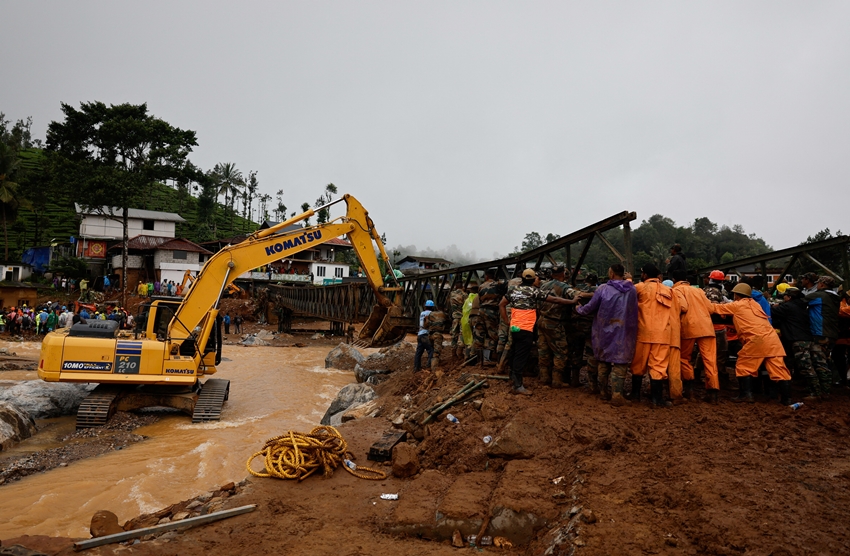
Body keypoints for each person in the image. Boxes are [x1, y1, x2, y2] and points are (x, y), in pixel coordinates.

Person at [708, 283, 793, 404]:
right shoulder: (755, 304)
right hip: (772, 340)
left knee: (744, 366)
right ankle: (787, 399)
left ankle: (746, 395)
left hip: (756, 340)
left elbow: (714, 308)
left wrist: (701, 300)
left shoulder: (737, 305)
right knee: (779, 370)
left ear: (736, 294)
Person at [499, 269, 578, 395]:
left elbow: (501, 304)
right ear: (533, 279)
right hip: (526, 327)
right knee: (521, 355)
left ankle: (512, 377)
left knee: (514, 351)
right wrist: (572, 302)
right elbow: (556, 300)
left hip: (514, 326)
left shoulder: (513, 290)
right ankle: (517, 385)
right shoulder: (534, 291)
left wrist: (507, 321)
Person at [575, 264, 638, 405]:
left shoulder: (603, 289)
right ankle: (617, 394)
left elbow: (590, 307)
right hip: (624, 331)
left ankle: (603, 392)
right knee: (620, 363)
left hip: (604, 331)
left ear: (611, 273)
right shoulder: (632, 290)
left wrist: (579, 308)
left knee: (603, 360)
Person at [630, 263, 684, 408]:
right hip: (662, 335)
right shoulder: (669, 290)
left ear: (645, 275)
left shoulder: (639, 287)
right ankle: (656, 399)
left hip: (643, 333)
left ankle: (635, 395)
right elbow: (679, 309)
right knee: (658, 366)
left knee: (638, 365)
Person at [671, 270, 720, 403]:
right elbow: (710, 309)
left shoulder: (676, 291)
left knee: (684, 358)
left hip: (688, 327)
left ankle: (689, 391)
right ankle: (713, 393)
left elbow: (683, 307)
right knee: (710, 360)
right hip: (706, 327)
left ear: (674, 280)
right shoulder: (699, 291)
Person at [771, 287, 822, 399]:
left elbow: (771, 311)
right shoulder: (802, 306)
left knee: (805, 367)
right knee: (805, 365)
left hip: (797, 340)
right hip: (806, 338)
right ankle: (815, 389)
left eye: (785, 295)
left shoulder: (788, 307)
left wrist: (772, 305)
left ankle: (816, 392)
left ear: (789, 297)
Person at [537, 265, 576, 388]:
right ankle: (557, 380)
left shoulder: (543, 285)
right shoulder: (564, 287)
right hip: (554, 323)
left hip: (541, 320)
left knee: (543, 350)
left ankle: (544, 377)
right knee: (560, 351)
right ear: (563, 274)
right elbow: (576, 294)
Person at [805, 276, 841, 395]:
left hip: (820, 332)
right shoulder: (835, 297)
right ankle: (832, 383)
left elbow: (802, 300)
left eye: (818, 283)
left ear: (822, 284)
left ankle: (823, 392)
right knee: (826, 360)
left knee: (819, 362)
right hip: (831, 333)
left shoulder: (820, 295)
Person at [475, 269, 506, 367]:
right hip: (492, 311)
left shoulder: (481, 286)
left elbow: (480, 299)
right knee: (493, 334)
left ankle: (480, 361)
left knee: (479, 333)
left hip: (481, 311)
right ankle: (494, 358)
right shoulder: (498, 285)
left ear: (486, 276)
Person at [424, 302, 448, 370]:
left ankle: (428, 365)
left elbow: (426, 325)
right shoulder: (443, 314)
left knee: (431, 351)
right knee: (436, 353)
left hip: (430, 335)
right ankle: (434, 369)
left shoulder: (431, 314)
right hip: (437, 335)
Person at [414, 300, 435, 372]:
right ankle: (428, 366)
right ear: (432, 307)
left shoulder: (422, 313)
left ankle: (416, 368)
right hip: (426, 334)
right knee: (431, 350)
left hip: (420, 334)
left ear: (425, 306)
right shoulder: (431, 313)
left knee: (418, 352)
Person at [449, 282, 466, 358]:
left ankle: (453, 352)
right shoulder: (464, 294)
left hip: (455, 317)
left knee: (454, 334)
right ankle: (460, 352)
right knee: (461, 334)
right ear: (462, 287)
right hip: (462, 317)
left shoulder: (452, 294)